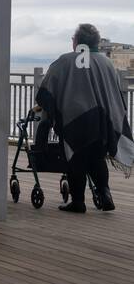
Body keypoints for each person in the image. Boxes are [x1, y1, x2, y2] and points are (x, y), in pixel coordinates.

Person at [35, 23, 133, 213]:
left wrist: (51, 111)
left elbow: (46, 90)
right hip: (102, 120)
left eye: (73, 39)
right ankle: (105, 195)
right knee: (97, 157)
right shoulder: (106, 63)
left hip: (76, 120)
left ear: (78, 41)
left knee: (75, 158)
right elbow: (114, 94)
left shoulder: (65, 61)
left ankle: (78, 201)